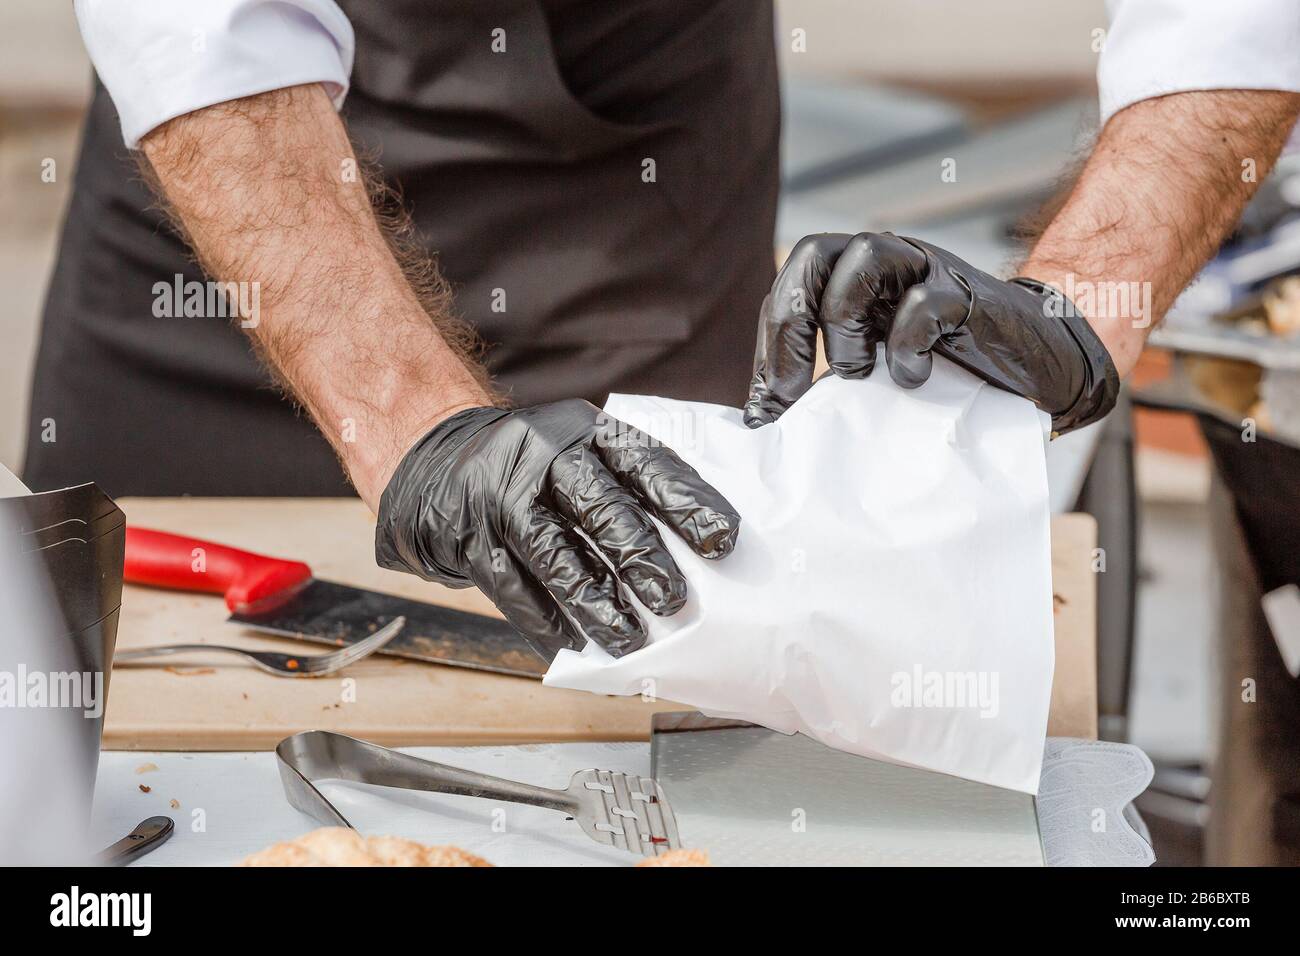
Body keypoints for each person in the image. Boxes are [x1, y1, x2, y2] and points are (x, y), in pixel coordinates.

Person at [26, 1, 1300, 664]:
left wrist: (1086, 301)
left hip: (632, 185)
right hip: (226, 216)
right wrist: (407, 421)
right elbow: (190, 17)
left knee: (682, 706)